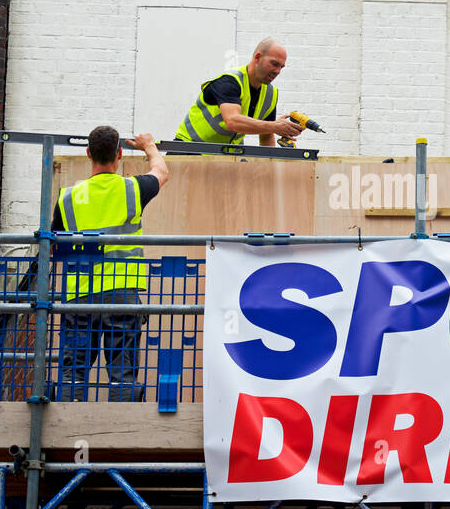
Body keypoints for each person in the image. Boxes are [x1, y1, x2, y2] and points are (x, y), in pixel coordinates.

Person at [51, 127, 169, 402]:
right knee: (122, 372)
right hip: (121, 296)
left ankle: (67, 432)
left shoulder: (68, 197)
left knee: (73, 372)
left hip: (79, 297)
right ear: (119, 154)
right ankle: (120, 437)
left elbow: (55, 245)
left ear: (88, 154)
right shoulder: (132, 188)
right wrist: (149, 146)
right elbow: (162, 173)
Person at [175, 37, 305, 147]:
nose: (278, 71)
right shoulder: (229, 82)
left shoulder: (271, 94)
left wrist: (270, 166)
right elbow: (233, 121)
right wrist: (275, 126)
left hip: (223, 157)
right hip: (189, 150)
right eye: (274, 64)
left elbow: (266, 136)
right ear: (257, 57)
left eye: (281, 67)